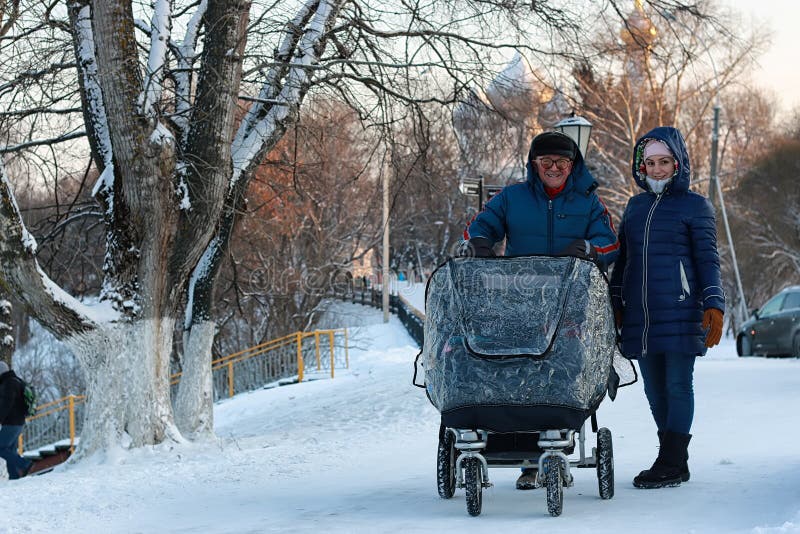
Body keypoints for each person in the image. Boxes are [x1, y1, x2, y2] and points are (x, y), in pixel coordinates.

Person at [464, 130, 620, 489]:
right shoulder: (512, 197)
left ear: (572, 165)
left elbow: (610, 241)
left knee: (563, 373)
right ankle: (528, 459)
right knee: (520, 373)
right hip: (519, 302)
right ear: (534, 164)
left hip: (571, 304)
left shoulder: (589, 202)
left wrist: (589, 248)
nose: (554, 168)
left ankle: (558, 443)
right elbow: (480, 225)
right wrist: (481, 242)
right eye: (546, 161)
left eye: (561, 162)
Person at [609, 126, 724, 489]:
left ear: (678, 164)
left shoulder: (695, 205)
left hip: (680, 307)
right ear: (640, 167)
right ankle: (671, 458)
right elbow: (624, 258)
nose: (657, 169)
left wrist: (714, 304)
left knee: (677, 384)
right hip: (641, 315)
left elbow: (708, 259)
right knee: (653, 388)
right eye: (650, 163)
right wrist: (614, 300)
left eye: (664, 162)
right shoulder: (635, 205)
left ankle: (672, 461)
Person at [0, 360, 33, 480]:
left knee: (1, 448)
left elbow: (6, 405)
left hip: (11, 423)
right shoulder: (16, 381)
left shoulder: (9, 383)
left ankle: (25, 464)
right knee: (10, 450)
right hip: (18, 422)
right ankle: (14, 477)